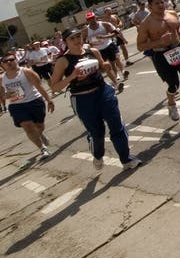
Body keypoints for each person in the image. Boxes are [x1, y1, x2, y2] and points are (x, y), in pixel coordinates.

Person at [50, 29, 142, 170]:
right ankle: (98, 155)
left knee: (117, 125)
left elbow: (103, 68)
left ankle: (126, 159)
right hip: (82, 99)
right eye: (72, 38)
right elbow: (55, 87)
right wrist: (72, 76)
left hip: (102, 92)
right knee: (97, 133)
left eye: (78, 36)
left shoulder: (92, 51)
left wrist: (105, 69)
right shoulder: (63, 61)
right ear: (65, 42)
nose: (76, 40)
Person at [1, 52, 56, 160]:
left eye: (11, 59)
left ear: (16, 60)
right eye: (5, 61)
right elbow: (2, 95)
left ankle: (39, 135)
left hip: (34, 101)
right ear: (2, 65)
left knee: (39, 126)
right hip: (17, 106)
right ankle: (42, 148)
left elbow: (39, 86)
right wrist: (5, 96)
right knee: (28, 126)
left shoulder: (26, 72)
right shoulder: (1, 78)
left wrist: (49, 100)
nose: (9, 62)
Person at [84, 11, 126, 92]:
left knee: (117, 58)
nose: (92, 20)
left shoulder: (104, 24)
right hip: (98, 51)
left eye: (92, 18)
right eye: (89, 19)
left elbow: (115, 33)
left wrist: (104, 36)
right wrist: (89, 43)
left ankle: (123, 71)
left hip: (109, 45)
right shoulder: (86, 30)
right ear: (87, 20)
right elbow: (83, 42)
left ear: (95, 17)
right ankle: (116, 83)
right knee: (107, 66)